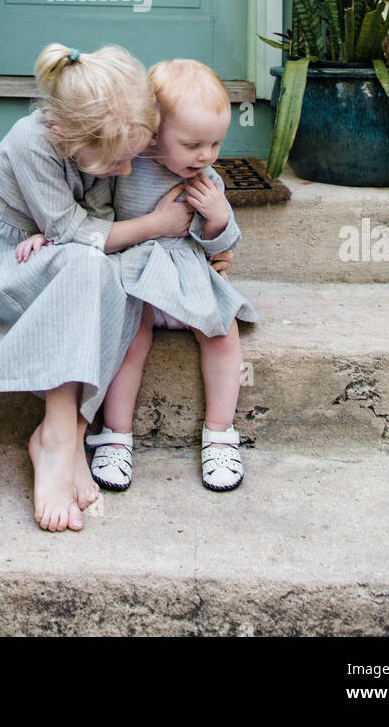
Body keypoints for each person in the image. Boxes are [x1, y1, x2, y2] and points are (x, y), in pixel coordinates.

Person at [0, 43, 194, 534]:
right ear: (64, 135)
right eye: (114, 165)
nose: (127, 171)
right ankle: (61, 437)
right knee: (88, 268)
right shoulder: (32, 140)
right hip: (1, 266)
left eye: (131, 159)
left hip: (59, 254)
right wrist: (156, 224)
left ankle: (71, 431)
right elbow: (76, 232)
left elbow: (95, 224)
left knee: (116, 279)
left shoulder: (106, 148)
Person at [86, 58, 259, 493]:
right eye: (193, 143)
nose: (206, 155)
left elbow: (221, 245)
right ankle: (116, 435)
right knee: (127, 336)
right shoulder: (125, 165)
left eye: (216, 143)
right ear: (153, 129)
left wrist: (218, 220)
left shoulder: (205, 178)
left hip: (186, 275)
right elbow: (99, 220)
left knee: (222, 333)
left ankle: (220, 434)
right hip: (134, 273)